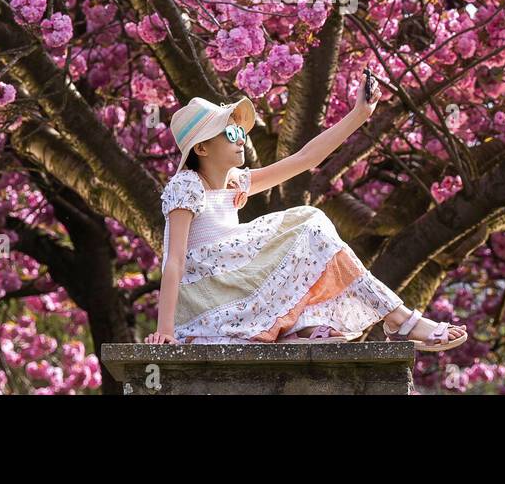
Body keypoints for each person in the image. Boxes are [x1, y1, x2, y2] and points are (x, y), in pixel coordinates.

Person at [143, 75, 468, 350]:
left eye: (241, 132)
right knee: (308, 222)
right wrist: (166, 330)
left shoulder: (235, 183)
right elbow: (174, 259)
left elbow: (304, 159)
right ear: (201, 148)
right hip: (208, 298)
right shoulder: (186, 187)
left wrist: (359, 114)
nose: (241, 139)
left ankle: (306, 324)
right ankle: (396, 318)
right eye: (230, 134)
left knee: (312, 223)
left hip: (235, 285)